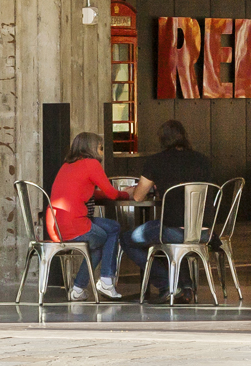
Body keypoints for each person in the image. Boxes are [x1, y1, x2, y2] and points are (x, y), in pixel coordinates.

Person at [45, 131, 145, 300]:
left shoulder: (67, 165)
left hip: (56, 226)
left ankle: (78, 290)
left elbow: (91, 193)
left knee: (111, 229)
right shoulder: (91, 163)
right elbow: (112, 194)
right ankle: (106, 281)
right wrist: (127, 194)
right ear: (93, 148)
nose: (101, 152)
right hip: (74, 226)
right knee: (108, 235)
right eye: (100, 147)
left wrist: (120, 193)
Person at [121, 120, 213, 300]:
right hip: (204, 231)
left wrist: (133, 190)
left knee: (126, 239)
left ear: (162, 140)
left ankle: (167, 284)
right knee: (173, 241)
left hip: (172, 231)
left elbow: (139, 196)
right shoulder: (204, 161)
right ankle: (186, 288)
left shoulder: (156, 161)